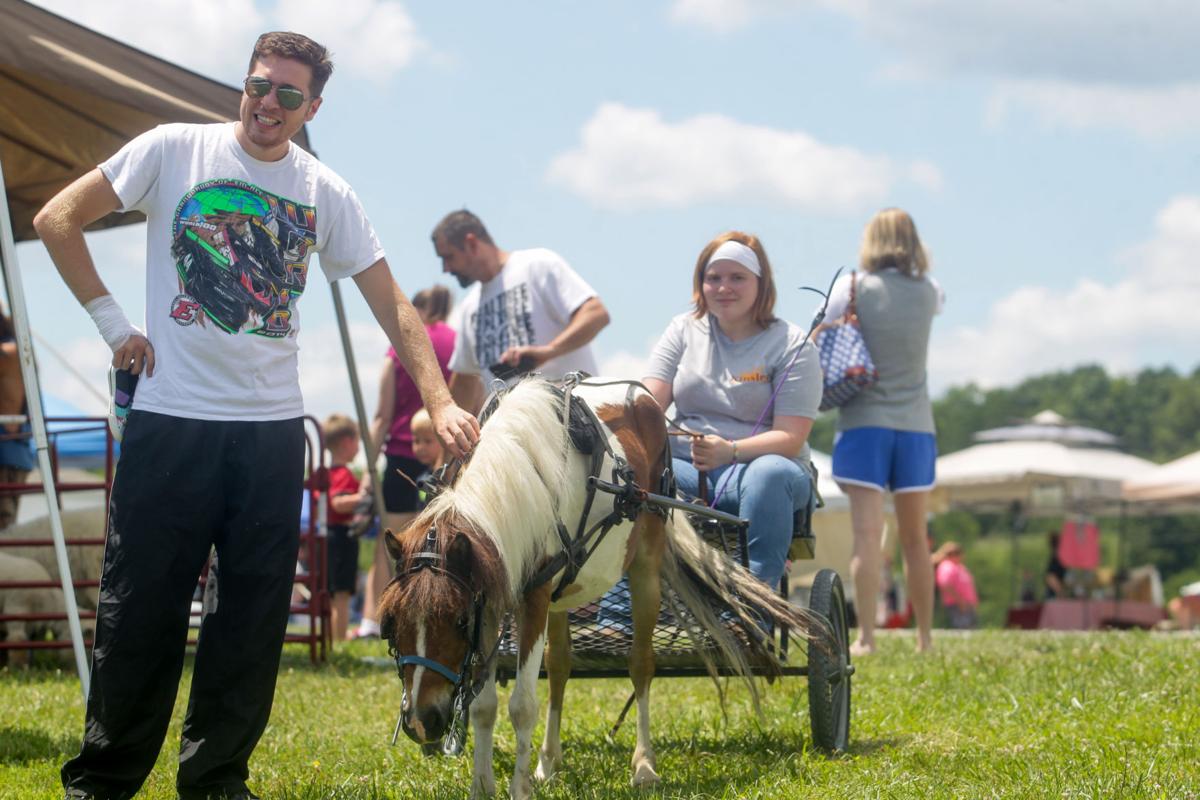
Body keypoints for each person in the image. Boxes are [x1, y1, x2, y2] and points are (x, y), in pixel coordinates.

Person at [33, 31, 479, 800]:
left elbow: (394, 304)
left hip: (270, 436)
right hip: (171, 422)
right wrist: (113, 327)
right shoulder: (173, 149)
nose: (267, 104)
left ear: (313, 107)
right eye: (257, 85)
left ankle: (216, 781)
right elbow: (57, 218)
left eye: (287, 95)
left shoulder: (323, 191)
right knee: (140, 612)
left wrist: (440, 400)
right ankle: (103, 784)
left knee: (249, 621)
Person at [643, 231, 821, 589]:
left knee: (767, 474)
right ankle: (618, 615)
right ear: (700, 284)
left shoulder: (791, 344)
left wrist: (731, 450)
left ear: (761, 284)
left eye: (737, 277)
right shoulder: (682, 330)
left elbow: (791, 438)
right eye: (714, 278)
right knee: (639, 472)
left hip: (770, 470)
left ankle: (753, 605)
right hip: (688, 469)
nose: (724, 287)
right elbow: (646, 406)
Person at [825, 208, 943, 656]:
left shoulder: (852, 287)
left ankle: (867, 638)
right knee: (916, 540)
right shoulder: (931, 291)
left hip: (864, 423)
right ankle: (926, 638)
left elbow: (823, 330)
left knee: (866, 536)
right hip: (916, 425)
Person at [431, 209, 610, 413]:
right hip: (517, 435)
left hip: (576, 419)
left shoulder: (537, 266)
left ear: (471, 243)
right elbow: (464, 380)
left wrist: (547, 352)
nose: (445, 268)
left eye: (448, 257)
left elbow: (596, 313)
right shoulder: (469, 307)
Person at [354, 286, 454, 640]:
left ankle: (370, 621)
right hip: (447, 453)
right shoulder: (455, 343)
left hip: (400, 455)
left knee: (391, 544)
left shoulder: (399, 349)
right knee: (440, 544)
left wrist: (368, 469)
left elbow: (382, 412)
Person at [322, 414, 368, 643]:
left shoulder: (329, 473)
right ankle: (340, 638)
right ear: (346, 442)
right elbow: (337, 502)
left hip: (331, 537)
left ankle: (333, 636)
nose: (358, 447)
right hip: (341, 537)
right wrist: (361, 497)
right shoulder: (342, 474)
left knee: (333, 594)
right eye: (358, 441)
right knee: (341, 593)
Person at [0, 310, 33, 529]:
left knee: (5, 521)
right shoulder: (19, 351)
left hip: (8, 447)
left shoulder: (10, 352)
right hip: (16, 449)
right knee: (7, 523)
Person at [932, 542, 978, 629]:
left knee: (971, 627)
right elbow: (945, 584)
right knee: (964, 628)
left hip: (966, 603)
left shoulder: (958, 566)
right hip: (957, 604)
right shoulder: (947, 566)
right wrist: (960, 600)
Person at [409, 407, 446, 510]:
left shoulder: (448, 474)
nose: (421, 447)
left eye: (428, 441)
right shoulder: (421, 479)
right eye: (416, 441)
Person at [1044, 530, 1067, 599]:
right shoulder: (1057, 559)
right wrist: (1060, 592)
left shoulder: (1057, 558)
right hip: (1055, 596)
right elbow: (1050, 577)